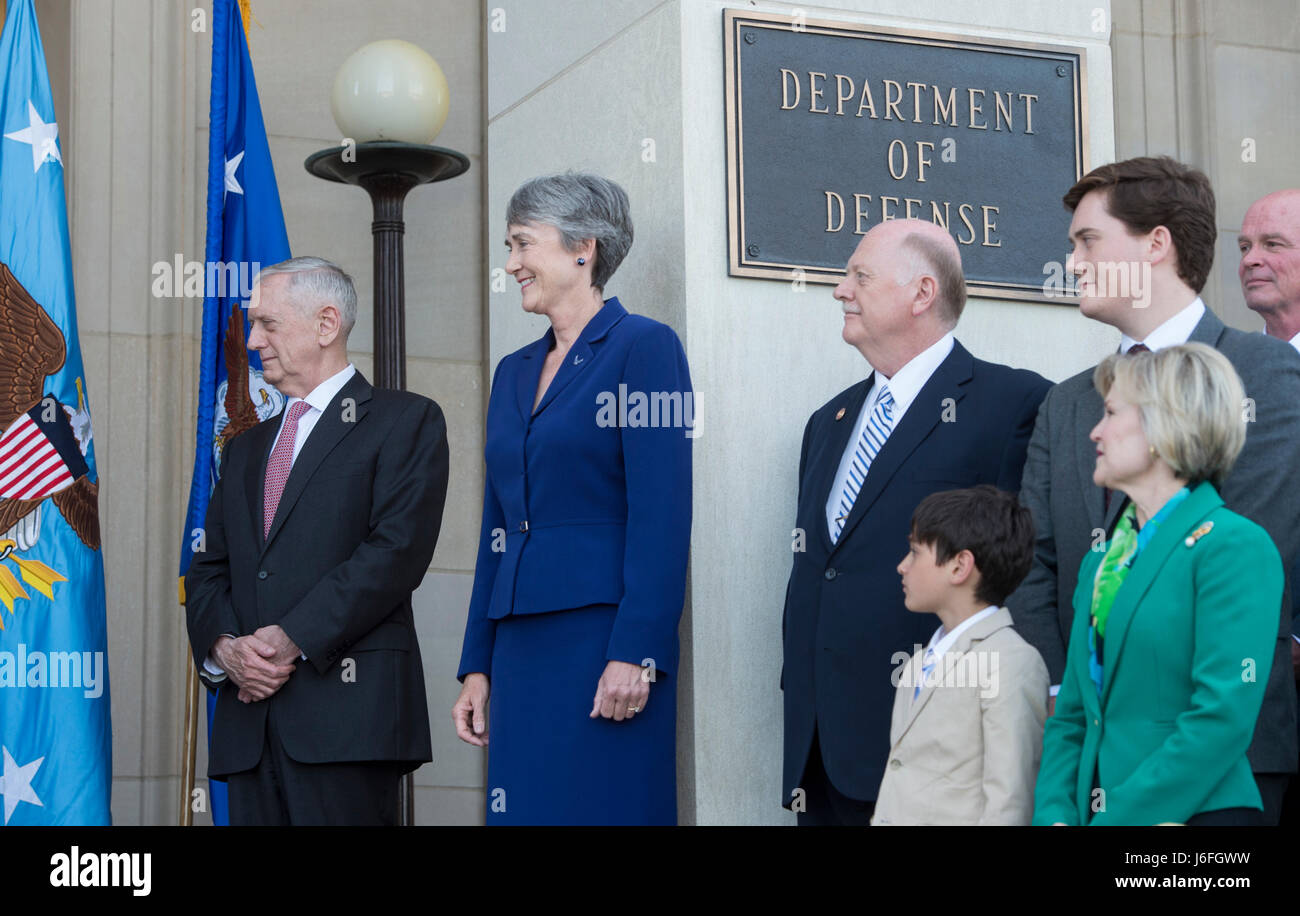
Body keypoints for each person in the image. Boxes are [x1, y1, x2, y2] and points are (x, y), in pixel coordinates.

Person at [1010, 157, 1300, 824]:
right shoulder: (1067, 403)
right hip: (1088, 763)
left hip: (1220, 771)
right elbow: (1035, 562)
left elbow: (1260, 545)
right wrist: (1066, 692)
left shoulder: (1262, 372)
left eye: (1088, 241)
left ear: (1156, 243)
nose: (1073, 262)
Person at [781, 218, 1050, 825]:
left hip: (933, 751)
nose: (840, 290)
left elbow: (1024, 569)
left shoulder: (1014, 404)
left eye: (860, 276)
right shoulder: (828, 422)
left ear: (921, 294)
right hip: (820, 746)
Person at [451, 172, 691, 825]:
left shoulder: (645, 348)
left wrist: (637, 649)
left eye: (523, 244)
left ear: (583, 248)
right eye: (509, 246)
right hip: (519, 648)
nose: (511, 264)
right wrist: (477, 664)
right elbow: (495, 529)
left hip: (601, 643)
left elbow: (662, 515)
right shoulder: (512, 373)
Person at [185, 257, 450, 825]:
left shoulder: (406, 422)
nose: (252, 340)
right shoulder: (245, 448)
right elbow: (209, 567)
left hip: (347, 723)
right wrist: (225, 649)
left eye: (267, 324)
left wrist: (291, 639)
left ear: (326, 324)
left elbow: (394, 553)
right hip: (250, 724)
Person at [1033, 344, 1282, 825]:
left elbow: (1221, 718)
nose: (1094, 432)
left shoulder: (1232, 548)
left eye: (1109, 413)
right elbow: (1072, 719)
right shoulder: (1101, 562)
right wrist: (1054, 817)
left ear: (1162, 425)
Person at [872, 486, 1047, 826]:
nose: (901, 566)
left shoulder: (1012, 662)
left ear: (959, 566)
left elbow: (1010, 801)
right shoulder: (918, 662)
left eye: (914, 552)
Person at [1238, 188, 1300, 823]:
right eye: (1245, 247)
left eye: (1273, 245)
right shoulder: (1222, 376)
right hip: (1245, 708)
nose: (1252, 259)